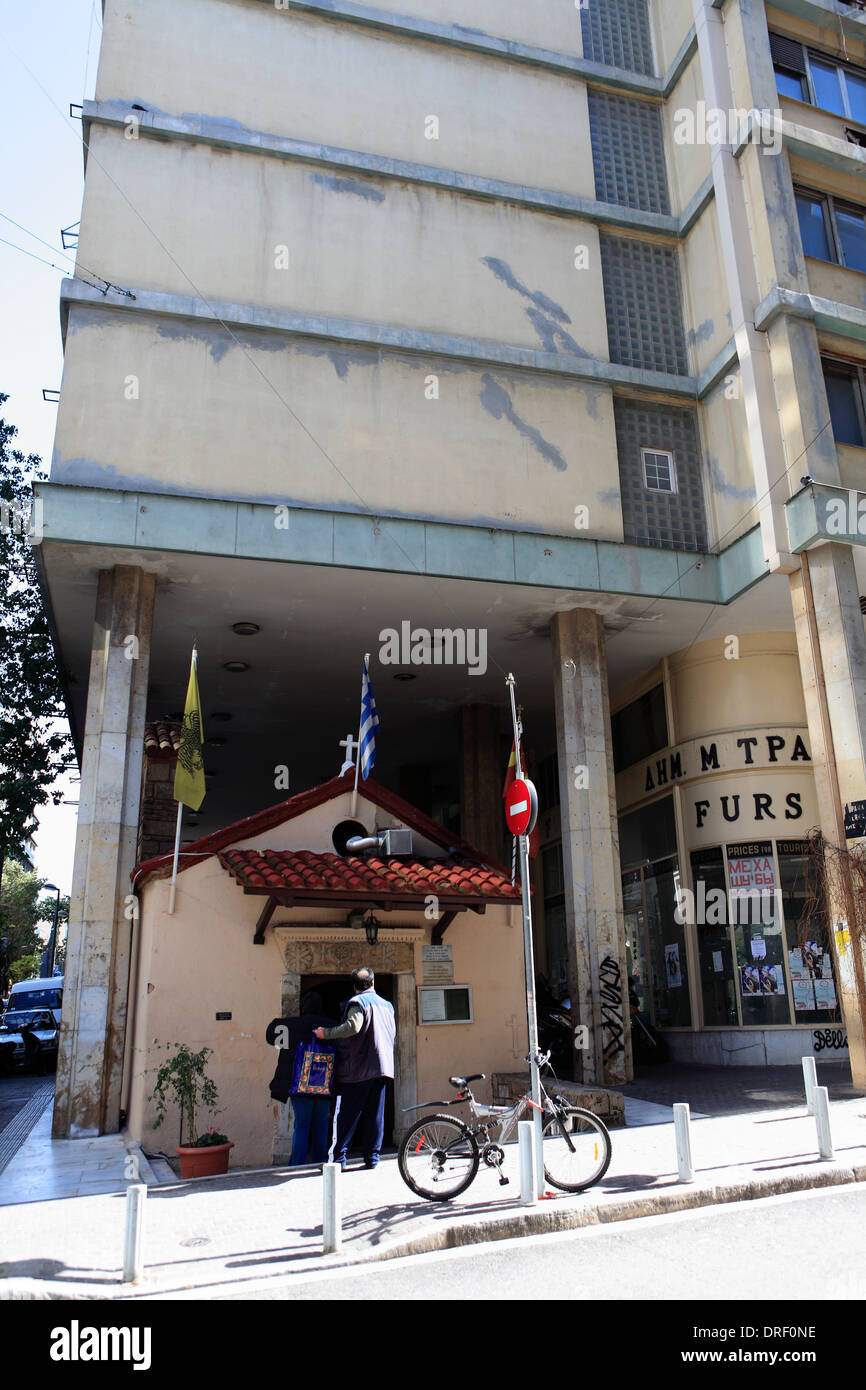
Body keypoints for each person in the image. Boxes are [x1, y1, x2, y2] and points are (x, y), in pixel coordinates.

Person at [314, 967, 395, 1170]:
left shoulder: (357, 1003)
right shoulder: (387, 1006)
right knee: (375, 1115)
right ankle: (372, 1158)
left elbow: (353, 1027)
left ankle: (338, 1159)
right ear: (373, 982)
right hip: (382, 1067)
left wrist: (326, 1034)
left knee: (347, 1115)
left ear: (354, 987)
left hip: (357, 1068)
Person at [266, 991, 335, 1167]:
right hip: (324, 1084)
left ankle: (297, 1165)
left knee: (302, 1126)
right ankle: (320, 1164)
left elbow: (270, 1036)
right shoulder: (332, 1025)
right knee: (321, 1126)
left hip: (300, 1085)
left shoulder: (291, 1025)